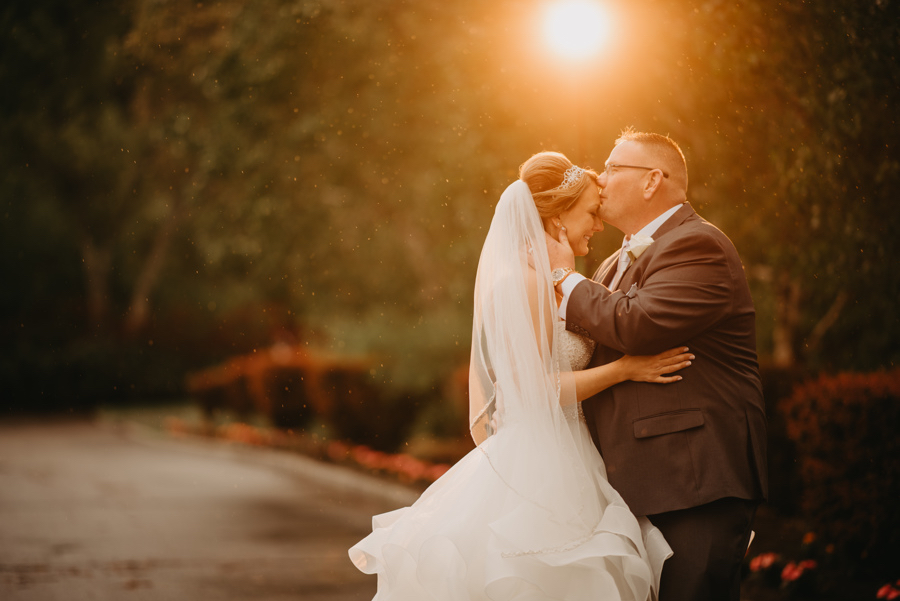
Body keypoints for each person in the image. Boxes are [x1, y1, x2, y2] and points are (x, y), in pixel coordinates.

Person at [349, 151, 693, 600]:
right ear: (556, 219)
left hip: (573, 449)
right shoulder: (525, 284)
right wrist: (625, 370)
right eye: (591, 213)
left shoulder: (553, 281)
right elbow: (536, 391)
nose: (598, 224)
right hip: (544, 462)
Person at [547, 129, 768, 601]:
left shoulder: (698, 245)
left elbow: (637, 324)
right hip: (629, 484)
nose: (599, 179)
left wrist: (562, 278)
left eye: (612, 167)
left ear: (652, 181)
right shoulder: (609, 265)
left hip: (692, 482)